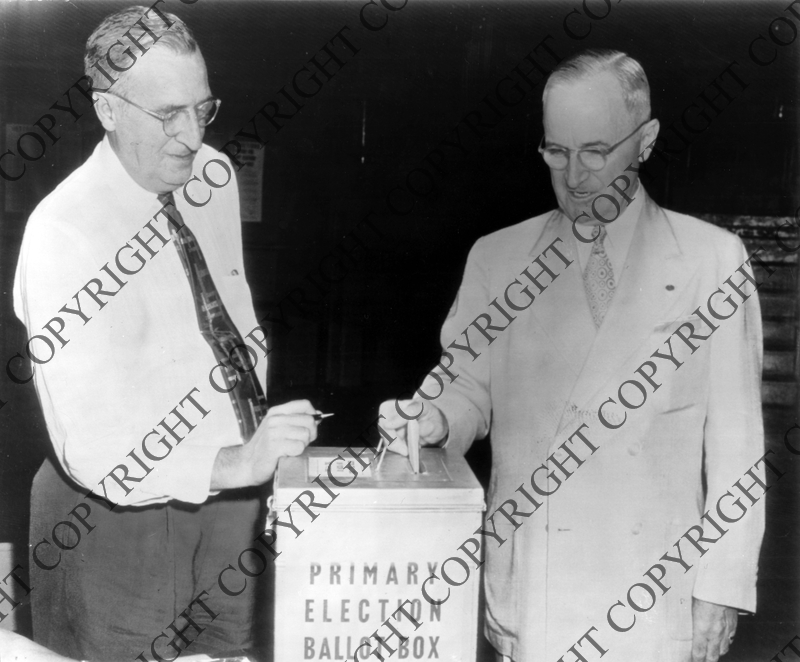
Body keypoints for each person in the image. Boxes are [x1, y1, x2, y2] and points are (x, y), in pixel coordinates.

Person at [380, 49, 765, 662]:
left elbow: (739, 449)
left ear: (646, 141)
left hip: (653, 588)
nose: (575, 177)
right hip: (538, 580)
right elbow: (467, 388)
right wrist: (434, 418)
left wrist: (720, 589)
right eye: (556, 153)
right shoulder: (498, 259)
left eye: (595, 152)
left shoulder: (712, 261)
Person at [13, 6, 318, 660]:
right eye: (167, 114)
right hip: (111, 519)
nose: (190, 135)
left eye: (202, 109)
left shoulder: (212, 174)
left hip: (229, 494)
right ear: (109, 110)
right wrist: (236, 462)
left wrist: (246, 448)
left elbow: (230, 313)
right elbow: (95, 444)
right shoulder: (63, 232)